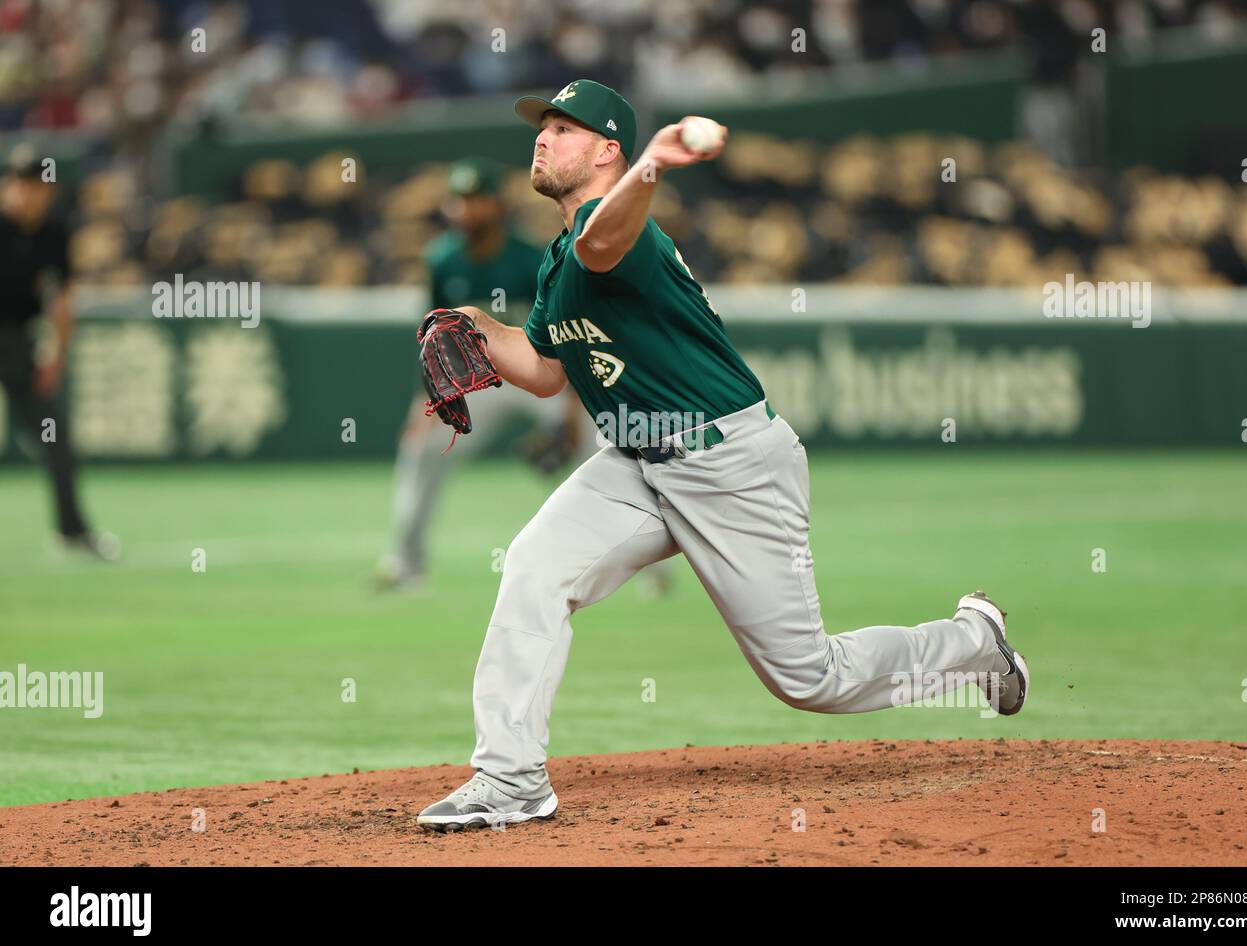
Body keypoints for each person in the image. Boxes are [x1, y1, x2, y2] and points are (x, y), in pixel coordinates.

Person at [416, 81, 1028, 832]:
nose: (543, 137)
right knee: (533, 568)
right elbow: (545, 371)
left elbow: (607, 241)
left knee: (810, 678)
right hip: (636, 461)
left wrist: (655, 167)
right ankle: (509, 779)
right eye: (542, 125)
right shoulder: (556, 264)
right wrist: (480, 325)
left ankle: (974, 645)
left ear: (610, 150)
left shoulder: (624, 236)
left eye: (565, 128)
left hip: (729, 461)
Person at [374, 157, 576, 591]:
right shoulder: (443, 259)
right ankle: (406, 564)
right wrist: (425, 400)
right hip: (477, 384)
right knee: (424, 449)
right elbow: (432, 336)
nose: (466, 211)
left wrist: (575, 404)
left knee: (605, 444)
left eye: (476, 200)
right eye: (459, 201)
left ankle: (648, 565)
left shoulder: (531, 257)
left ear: (496, 206)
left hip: (537, 373)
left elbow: (563, 329)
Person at [0, 144, 117, 560]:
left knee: (55, 437)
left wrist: (55, 357)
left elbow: (64, 300)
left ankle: (71, 531)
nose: (22, 192)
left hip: (18, 344)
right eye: (16, 183)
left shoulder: (55, 233)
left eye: (33, 185)